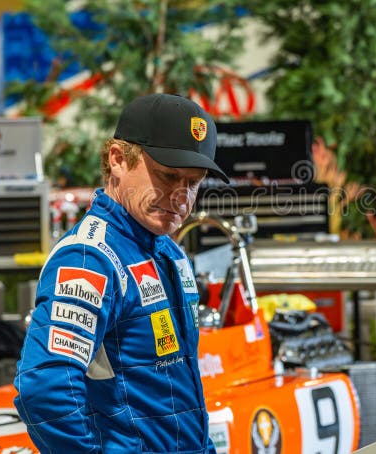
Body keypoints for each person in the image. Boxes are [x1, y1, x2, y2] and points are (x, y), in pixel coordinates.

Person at [14, 93, 229, 453]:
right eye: (167, 175)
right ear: (117, 159)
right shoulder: (89, 256)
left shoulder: (170, 251)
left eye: (193, 182)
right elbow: (44, 388)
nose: (181, 197)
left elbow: (175, 397)